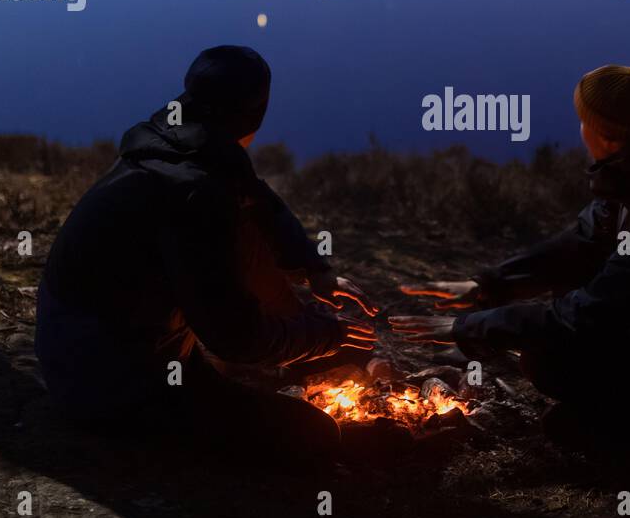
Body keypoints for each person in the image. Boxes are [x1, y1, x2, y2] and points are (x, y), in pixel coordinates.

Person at [392, 65, 630, 435]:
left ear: (606, 136)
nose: (578, 129)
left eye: (584, 121)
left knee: (549, 358)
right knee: (568, 288)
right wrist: (487, 285)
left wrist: (473, 326)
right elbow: (581, 242)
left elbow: (584, 318)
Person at [36, 45, 377, 463]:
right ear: (256, 113)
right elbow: (235, 337)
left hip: (112, 352)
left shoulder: (171, 141)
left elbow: (259, 200)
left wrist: (315, 269)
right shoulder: (195, 194)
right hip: (108, 384)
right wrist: (328, 335)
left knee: (247, 245)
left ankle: (275, 354)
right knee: (317, 435)